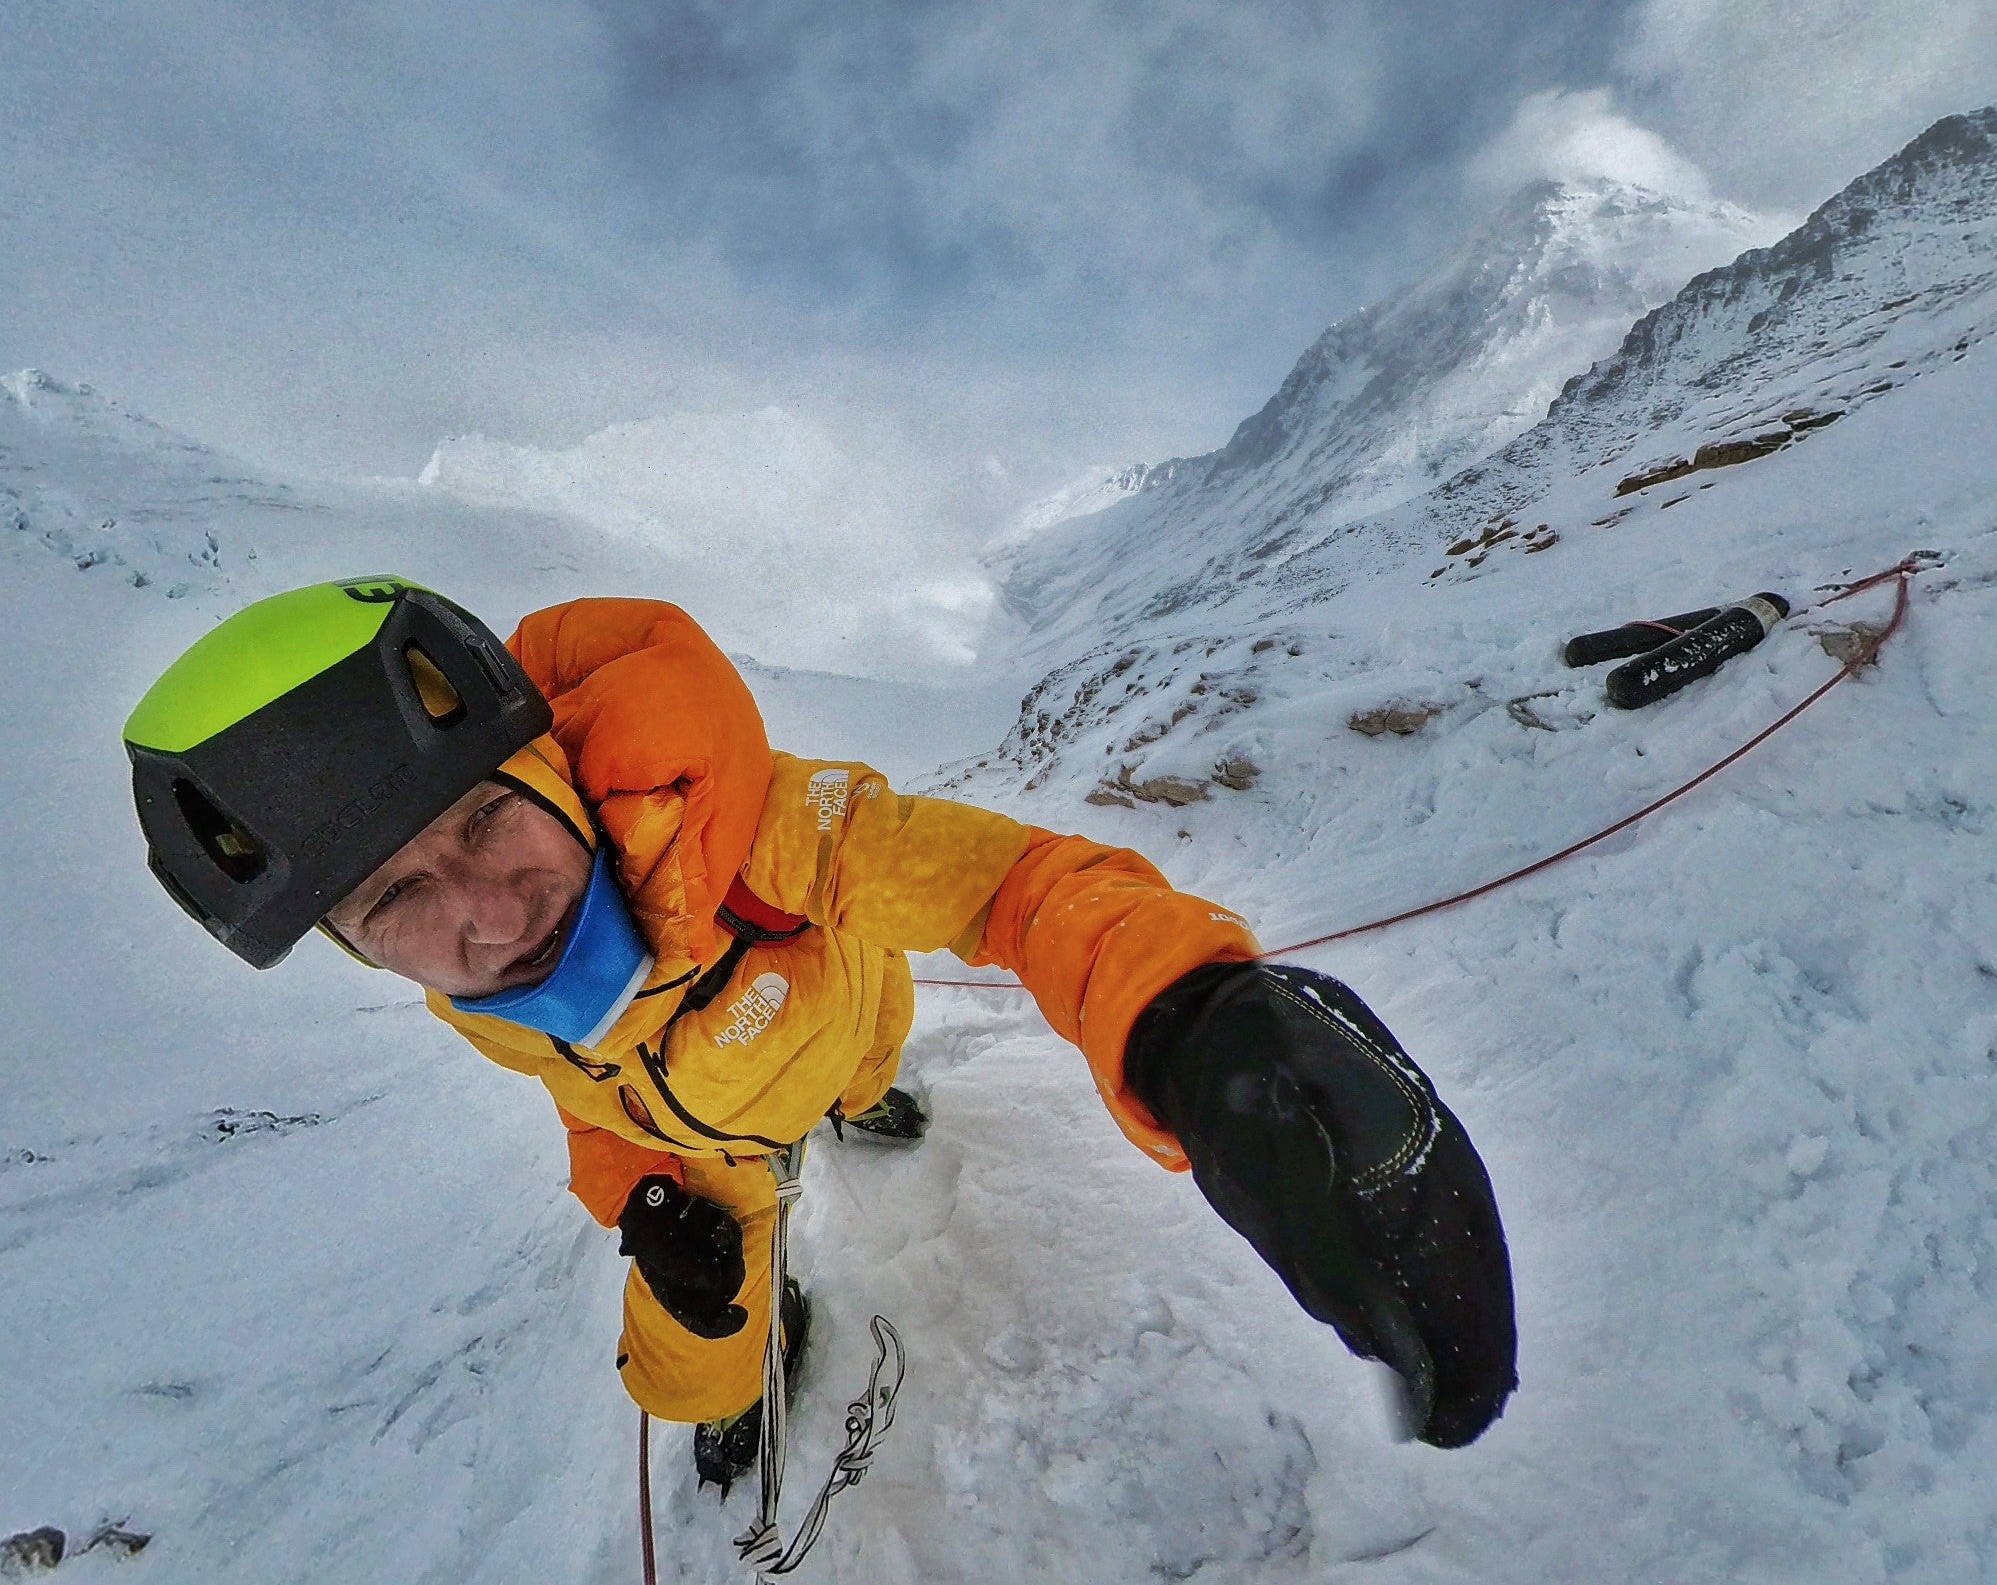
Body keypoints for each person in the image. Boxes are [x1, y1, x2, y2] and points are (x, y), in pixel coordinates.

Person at [124, 578, 1516, 1493]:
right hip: (702, 1147)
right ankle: (752, 1345)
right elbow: (585, 1096)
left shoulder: (760, 835)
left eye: (487, 818)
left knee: (864, 1069)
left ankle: (865, 1105)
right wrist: (638, 1196)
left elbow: (1011, 887)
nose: (491, 917)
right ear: (353, 948)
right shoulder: (486, 1004)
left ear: (547, 760)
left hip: (838, 1029)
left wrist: (1190, 1020)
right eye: (399, 898)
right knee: (689, 1354)